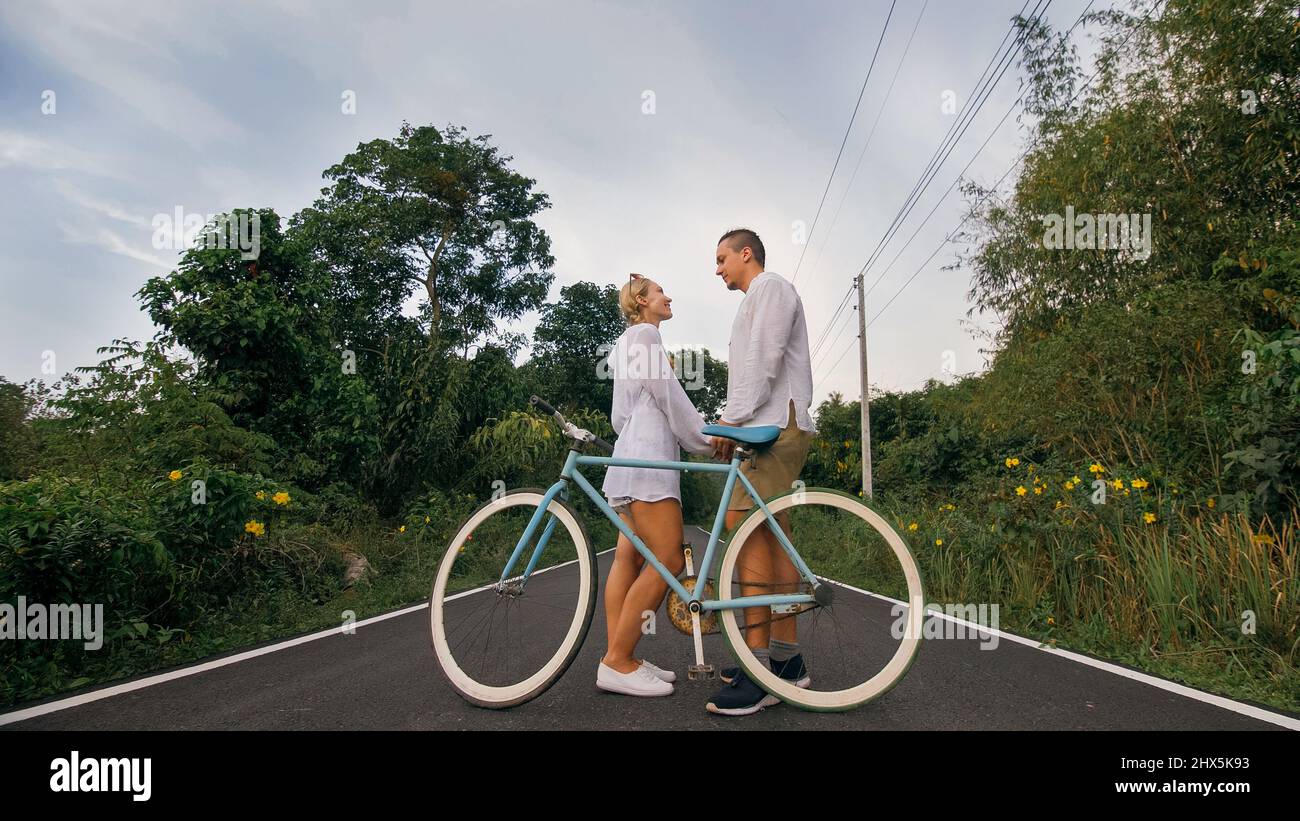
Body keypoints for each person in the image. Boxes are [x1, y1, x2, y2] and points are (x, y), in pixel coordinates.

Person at [705, 228, 816, 716]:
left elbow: (764, 361)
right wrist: (736, 421)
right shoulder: (752, 300)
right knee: (760, 532)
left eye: (722, 257)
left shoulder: (771, 287)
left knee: (753, 534)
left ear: (745, 253)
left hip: (774, 424)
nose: (718, 268)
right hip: (762, 425)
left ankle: (762, 670)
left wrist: (732, 420)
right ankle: (786, 663)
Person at [597, 273, 714, 697]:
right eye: (661, 291)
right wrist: (705, 438)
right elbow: (668, 396)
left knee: (627, 559)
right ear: (642, 301)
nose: (669, 297)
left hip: (628, 457)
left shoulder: (624, 343)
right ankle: (618, 660)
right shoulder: (647, 335)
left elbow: (617, 417)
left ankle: (619, 656)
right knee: (667, 558)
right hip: (649, 461)